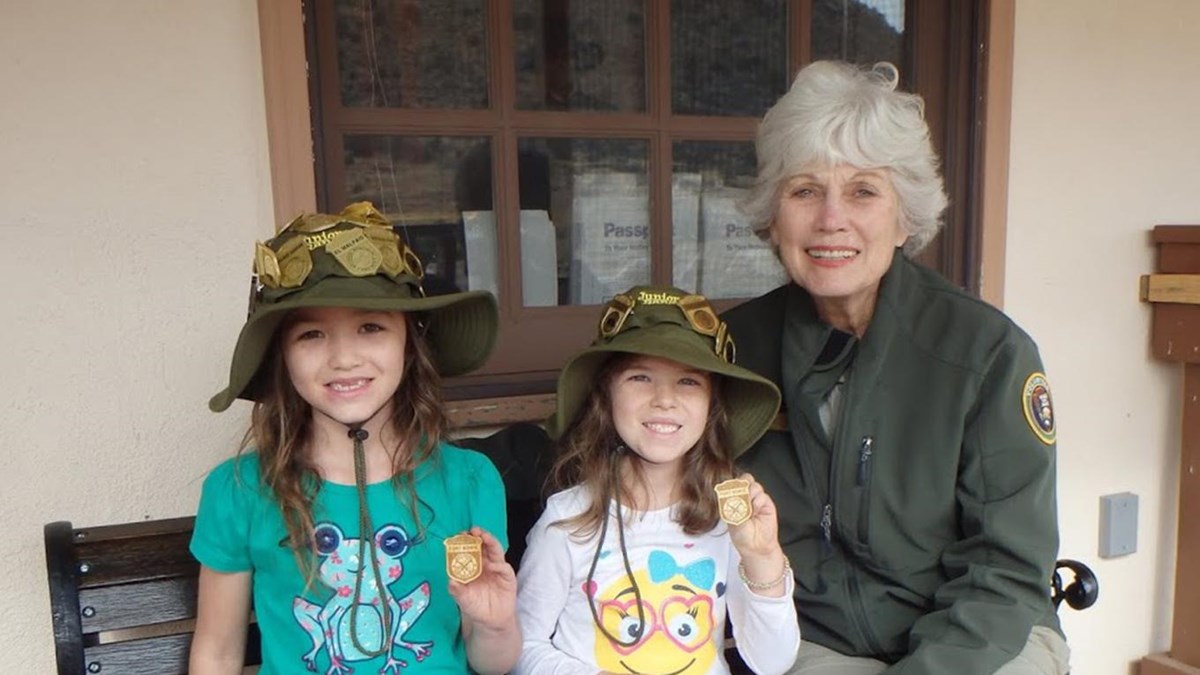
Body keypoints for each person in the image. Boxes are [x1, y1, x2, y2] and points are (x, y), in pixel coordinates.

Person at [723, 60, 1070, 674]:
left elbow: (1007, 566)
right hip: (811, 637)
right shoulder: (733, 351)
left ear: (905, 215)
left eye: (863, 190)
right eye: (804, 190)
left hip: (980, 636)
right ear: (772, 217)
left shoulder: (986, 352)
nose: (832, 219)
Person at [188, 202, 521, 674]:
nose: (343, 358)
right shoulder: (240, 491)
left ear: (410, 344)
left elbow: (493, 665)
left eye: (370, 327)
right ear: (281, 355)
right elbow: (217, 654)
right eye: (312, 334)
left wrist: (495, 624)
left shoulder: (468, 481)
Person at [514, 286, 801, 675]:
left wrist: (762, 557)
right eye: (640, 377)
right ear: (606, 396)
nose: (664, 399)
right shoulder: (567, 520)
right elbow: (523, 646)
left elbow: (772, 661)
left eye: (688, 382)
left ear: (711, 406)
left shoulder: (731, 522)